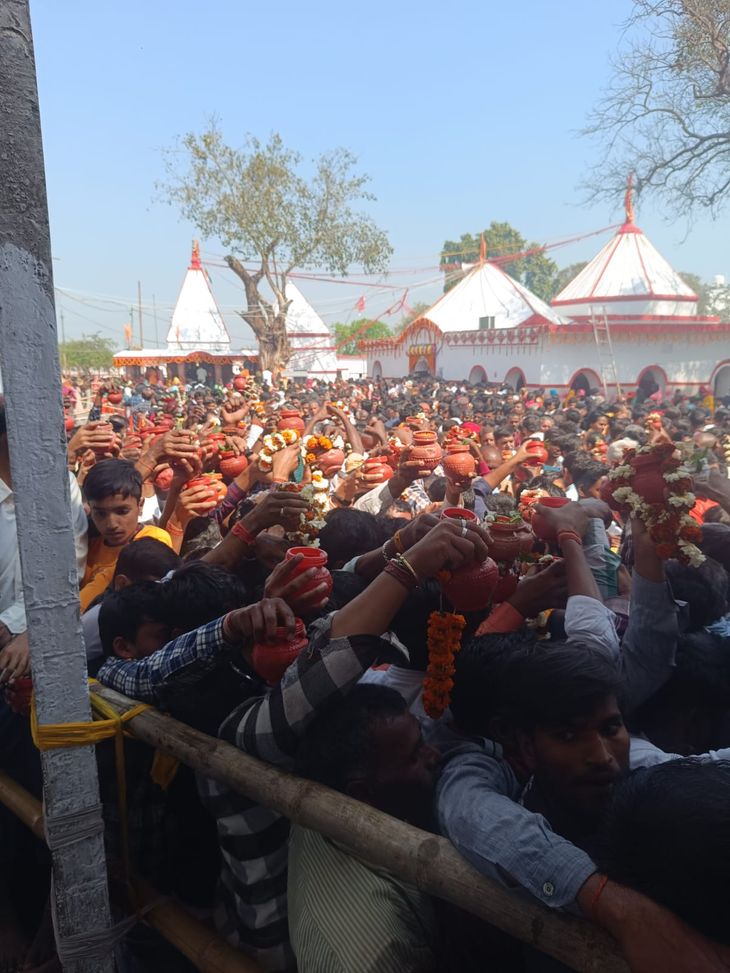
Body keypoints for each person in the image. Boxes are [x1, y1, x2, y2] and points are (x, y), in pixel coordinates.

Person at [289, 685, 439, 972]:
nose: (434, 755)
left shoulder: (316, 804)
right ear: (361, 793)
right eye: (414, 756)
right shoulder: (380, 952)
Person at [79, 459, 173, 612]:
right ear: (89, 509)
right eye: (100, 513)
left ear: (140, 505)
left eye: (122, 511)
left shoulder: (154, 539)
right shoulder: (89, 544)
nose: (111, 524)